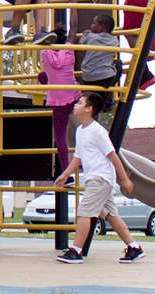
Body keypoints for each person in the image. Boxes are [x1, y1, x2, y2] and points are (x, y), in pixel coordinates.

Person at [54, 92, 143, 264]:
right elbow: (78, 157)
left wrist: (124, 179)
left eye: (80, 103)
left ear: (89, 109)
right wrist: (65, 175)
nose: (75, 105)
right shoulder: (81, 130)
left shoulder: (97, 131)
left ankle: (76, 251)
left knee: (85, 213)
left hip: (100, 178)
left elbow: (113, 155)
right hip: (96, 178)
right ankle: (134, 248)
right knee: (110, 215)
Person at [40, 24, 80, 174]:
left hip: (57, 100)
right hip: (74, 95)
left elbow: (44, 77)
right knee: (90, 127)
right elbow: (73, 30)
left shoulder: (45, 53)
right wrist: (74, 5)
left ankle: (65, 172)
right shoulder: (69, 50)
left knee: (60, 138)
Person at [75, 14, 120, 91]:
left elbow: (80, 47)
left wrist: (84, 36)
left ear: (101, 27)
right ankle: (108, 97)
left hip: (88, 78)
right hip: (107, 77)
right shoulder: (115, 41)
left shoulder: (90, 36)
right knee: (118, 63)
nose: (91, 25)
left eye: (94, 23)